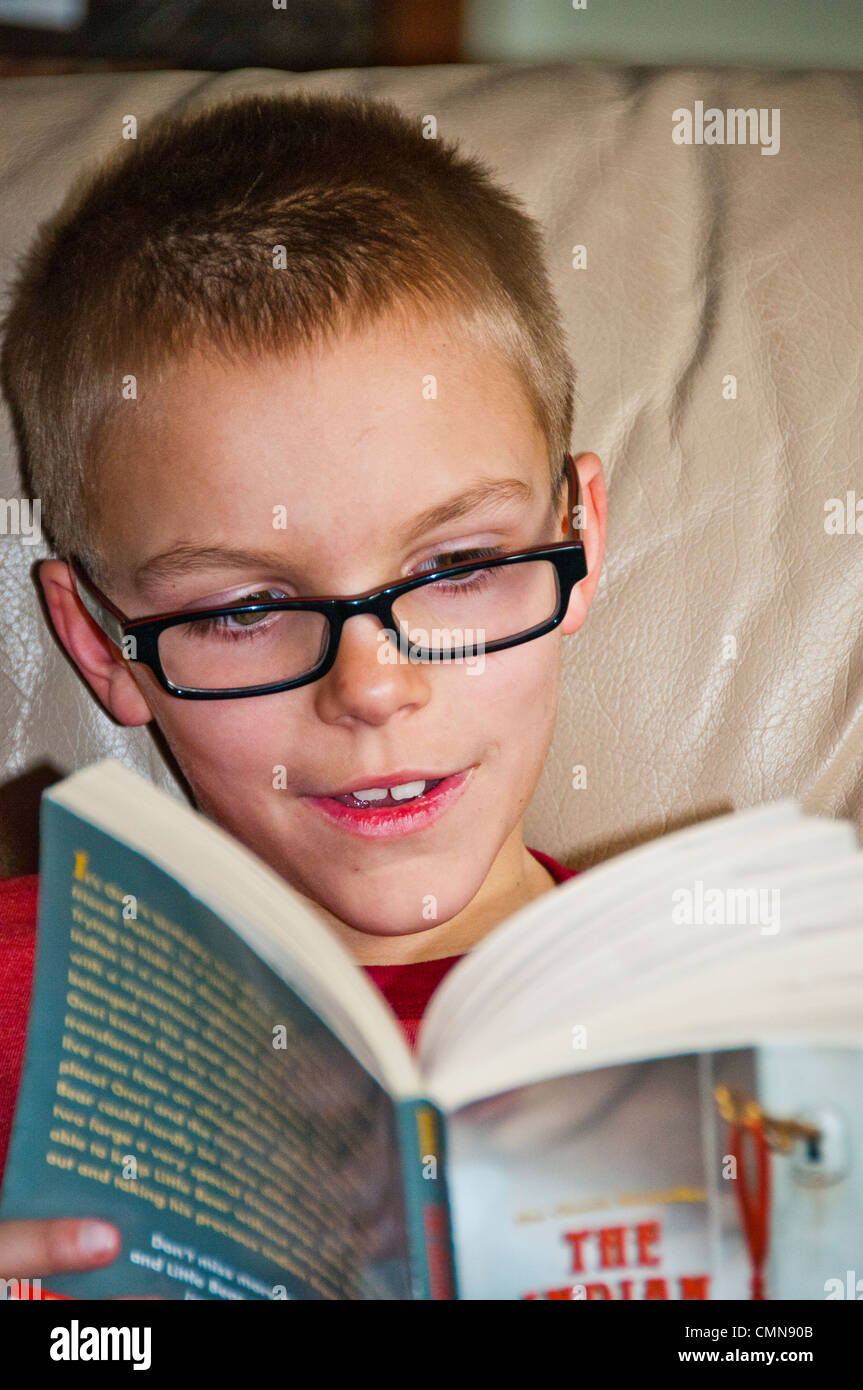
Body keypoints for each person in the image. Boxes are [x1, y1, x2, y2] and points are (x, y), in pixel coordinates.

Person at [0, 91, 606, 1287]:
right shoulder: (21, 990)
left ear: (578, 537)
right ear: (101, 644)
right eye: (242, 609)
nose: (370, 689)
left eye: (455, 568)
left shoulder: (751, 1001)